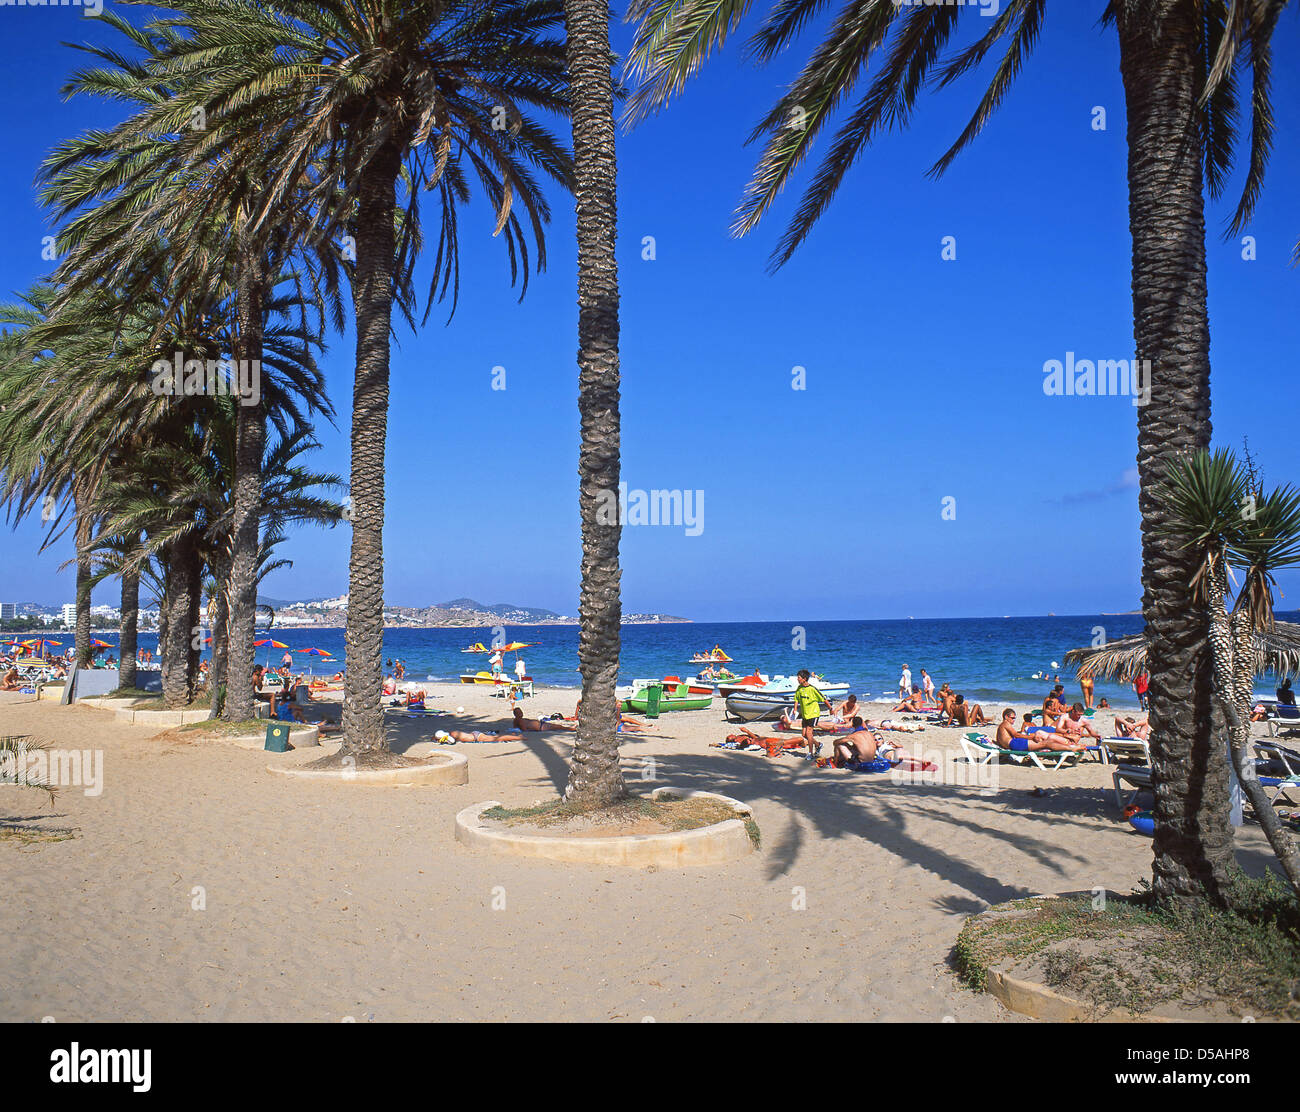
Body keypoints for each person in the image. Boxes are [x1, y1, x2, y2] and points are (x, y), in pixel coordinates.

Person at [995, 708, 1087, 753]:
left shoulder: (1001, 727)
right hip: (1015, 744)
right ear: (1006, 717)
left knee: (1045, 741)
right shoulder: (1005, 723)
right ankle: (1071, 748)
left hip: (1014, 744)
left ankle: (1070, 745)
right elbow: (1016, 735)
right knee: (1046, 743)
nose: (1013, 720)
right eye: (1012, 718)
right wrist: (1031, 736)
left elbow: (1000, 740)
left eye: (1014, 718)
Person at [794, 669, 832, 759]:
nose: (797, 679)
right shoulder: (799, 688)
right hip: (805, 714)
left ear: (804, 679)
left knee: (809, 733)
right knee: (804, 734)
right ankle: (818, 745)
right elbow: (796, 699)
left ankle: (810, 753)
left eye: (798, 678)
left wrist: (830, 708)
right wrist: (795, 709)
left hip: (813, 714)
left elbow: (823, 699)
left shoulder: (812, 689)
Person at [435, 728, 525, 744]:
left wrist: (443, 740)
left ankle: (519, 737)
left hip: (476, 737)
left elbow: (452, 741)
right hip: (474, 734)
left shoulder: (452, 735)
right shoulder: (451, 732)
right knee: (497, 736)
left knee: (498, 738)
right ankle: (512, 735)